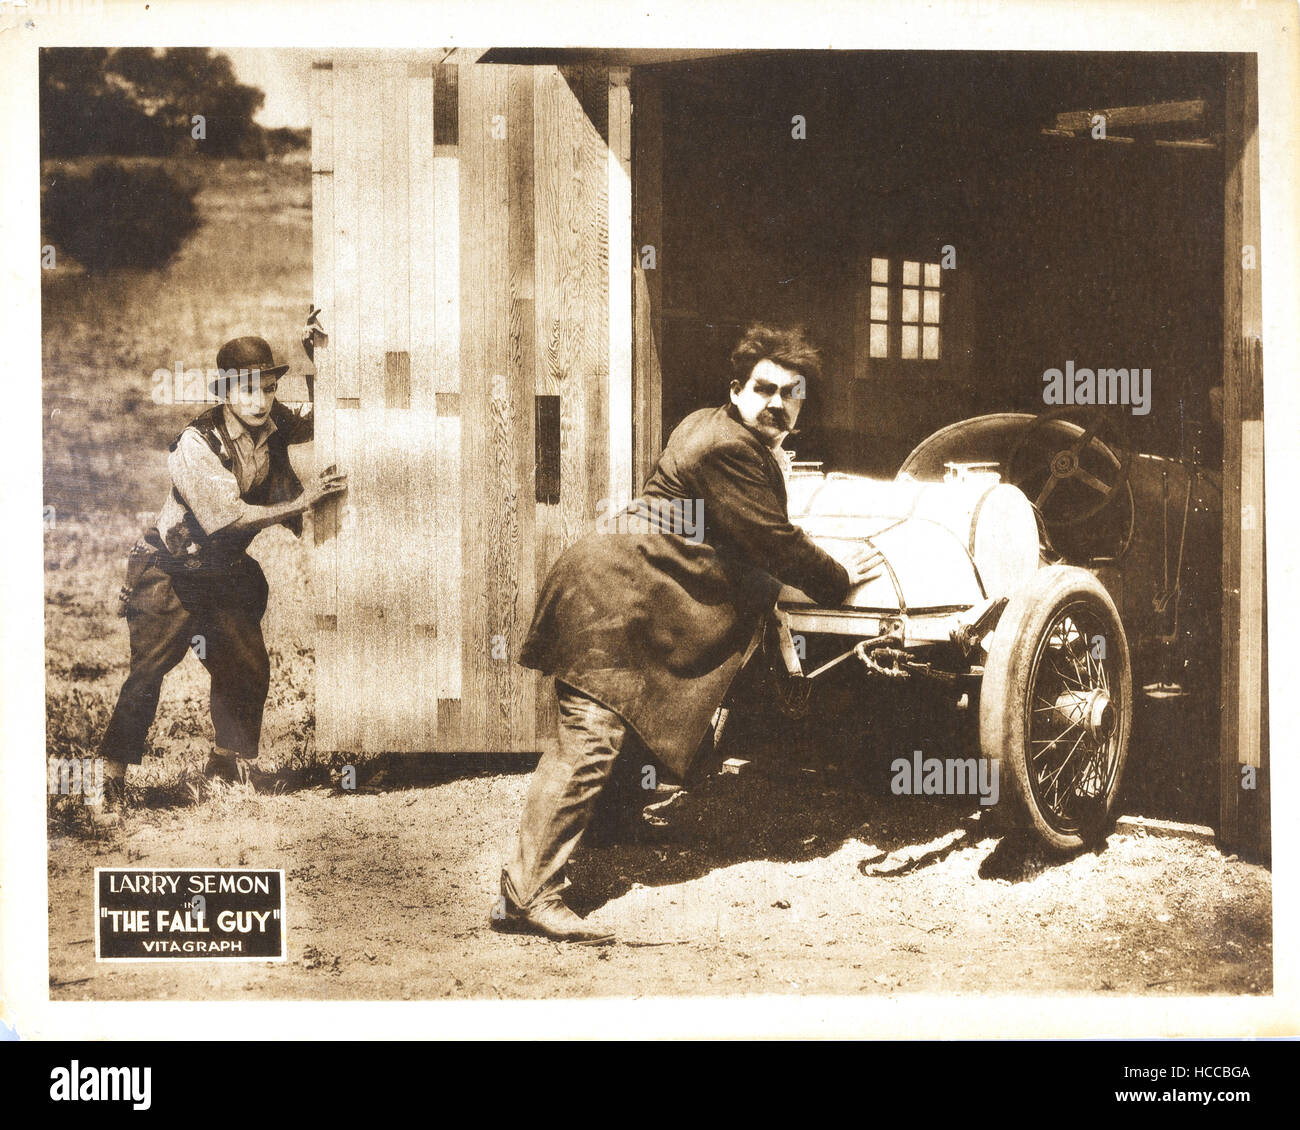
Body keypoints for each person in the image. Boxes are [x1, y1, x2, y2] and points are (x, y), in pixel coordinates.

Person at [495, 323, 883, 941]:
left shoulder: (711, 424)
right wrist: (838, 578)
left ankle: (615, 822)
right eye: (764, 389)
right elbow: (774, 542)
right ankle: (528, 894)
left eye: (792, 393)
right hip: (613, 596)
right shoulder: (726, 448)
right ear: (738, 389)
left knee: (638, 716)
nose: (777, 403)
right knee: (590, 740)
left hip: (628, 587)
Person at [94, 312, 347, 822]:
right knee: (148, 674)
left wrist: (317, 355)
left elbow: (332, 411)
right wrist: (305, 502)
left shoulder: (274, 421)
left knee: (247, 665)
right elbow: (228, 522)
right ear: (227, 391)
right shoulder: (197, 442)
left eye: (268, 388)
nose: (258, 400)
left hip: (224, 571)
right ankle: (109, 781)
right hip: (170, 570)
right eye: (246, 390)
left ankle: (225, 764)